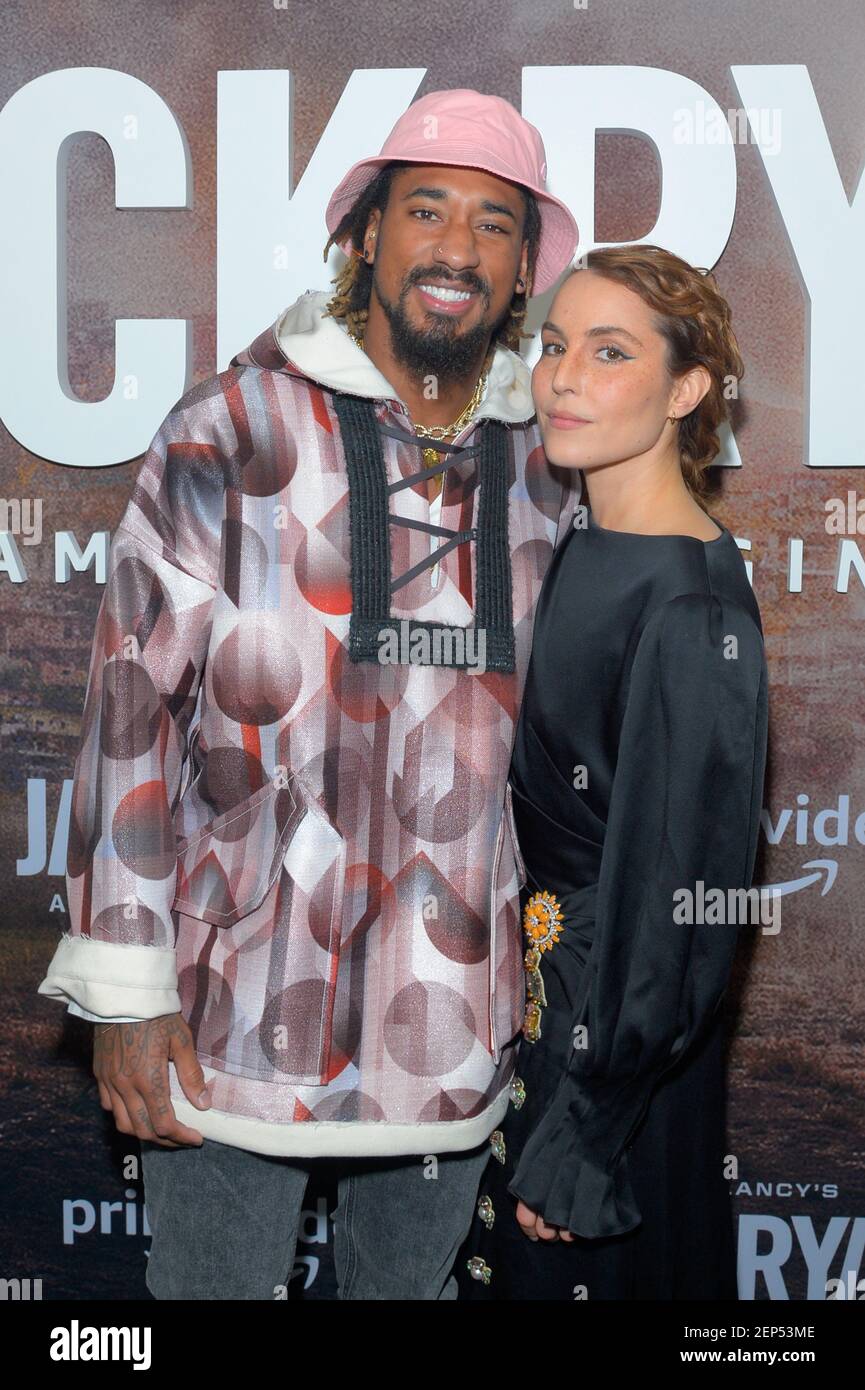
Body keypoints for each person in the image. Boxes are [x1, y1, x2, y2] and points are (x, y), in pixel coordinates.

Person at [35, 88, 583, 1300]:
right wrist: (125, 992)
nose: (457, 248)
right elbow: (130, 709)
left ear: (523, 267)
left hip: (451, 1017)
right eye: (426, 210)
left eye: (495, 224)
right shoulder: (228, 430)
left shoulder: (551, 468)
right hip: (229, 1004)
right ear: (365, 239)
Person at [457, 244, 769, 1300]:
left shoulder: (690, 606)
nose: (562, 377)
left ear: (687, 390)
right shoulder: (583, 538)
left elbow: (677, 908)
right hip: (544, 1014)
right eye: (552, 346)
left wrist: (585, 1134)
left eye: (608, 351)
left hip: (610, 1056)